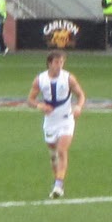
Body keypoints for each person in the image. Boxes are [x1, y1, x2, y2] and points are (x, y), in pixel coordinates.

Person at [29, 51, 85, 199]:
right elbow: (31, 99)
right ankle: (57, 182)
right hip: (50, 122)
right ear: (49, 63)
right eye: (56, 62)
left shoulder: (68, 78)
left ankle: (59, 184)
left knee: (61, 150)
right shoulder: (40, 80)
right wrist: (40, 106)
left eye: (61, 62)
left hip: (66, 119)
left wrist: (78, 106)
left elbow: (81, 95)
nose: (59, 66)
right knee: (53, 154)